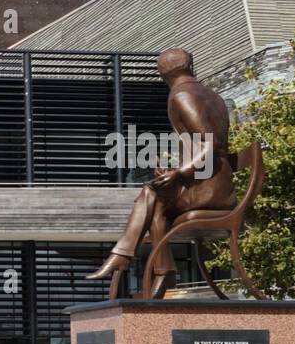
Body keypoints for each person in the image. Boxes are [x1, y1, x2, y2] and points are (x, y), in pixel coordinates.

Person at [87, 48, 236, 297]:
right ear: (191, 66)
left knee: (151, 192)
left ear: (162, 74)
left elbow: (211, 142)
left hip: (209, 192)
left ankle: (128, 257)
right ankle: (158, 268)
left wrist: (179, 173)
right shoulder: (213, 96)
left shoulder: (181, 95)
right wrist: (174, 172)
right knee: (155, 198)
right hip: (215, 183)